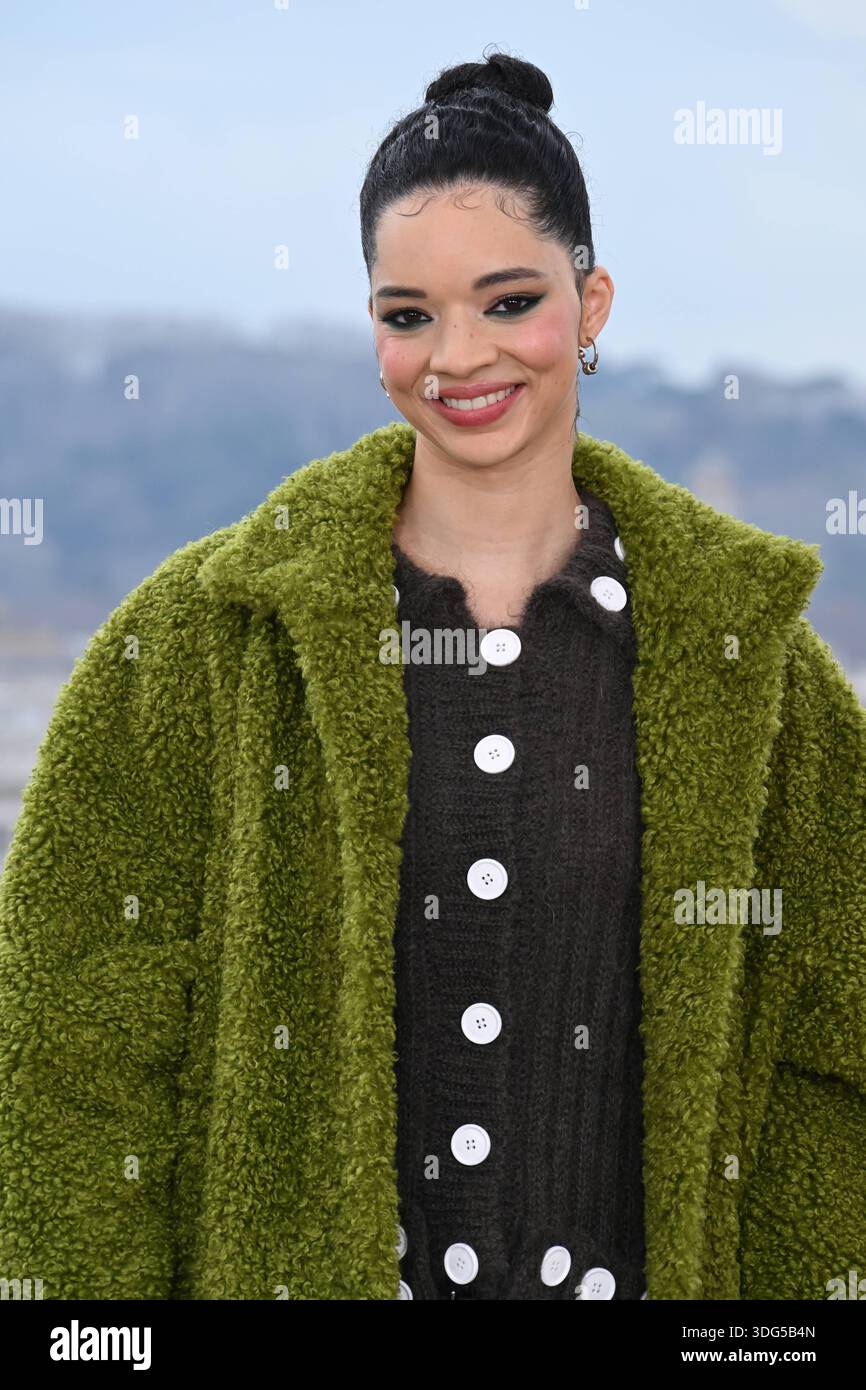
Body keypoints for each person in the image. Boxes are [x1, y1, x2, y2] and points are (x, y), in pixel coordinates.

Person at [0, 48, 864, 1303]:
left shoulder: (750, 665)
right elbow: (65, 1056)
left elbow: (836, 1050)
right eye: (408, 314)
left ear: (593, 301)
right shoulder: (196, 644)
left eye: (507, 301)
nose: (456, 356)